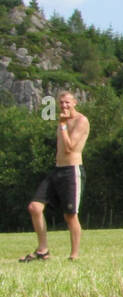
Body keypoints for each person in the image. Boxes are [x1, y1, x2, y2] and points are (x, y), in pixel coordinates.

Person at [21, 91, 89, 261]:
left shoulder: (81, 121)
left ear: (75, 103)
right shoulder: (62, 122)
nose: (64, 105)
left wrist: (63, 125)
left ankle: (74, 255)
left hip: (72, 171)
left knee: (70, 215)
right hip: (57, 170)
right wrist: (62, 123)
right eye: (61, 102)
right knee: (34, 207)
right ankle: (42, 250)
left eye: (67, 102)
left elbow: (69, 148)